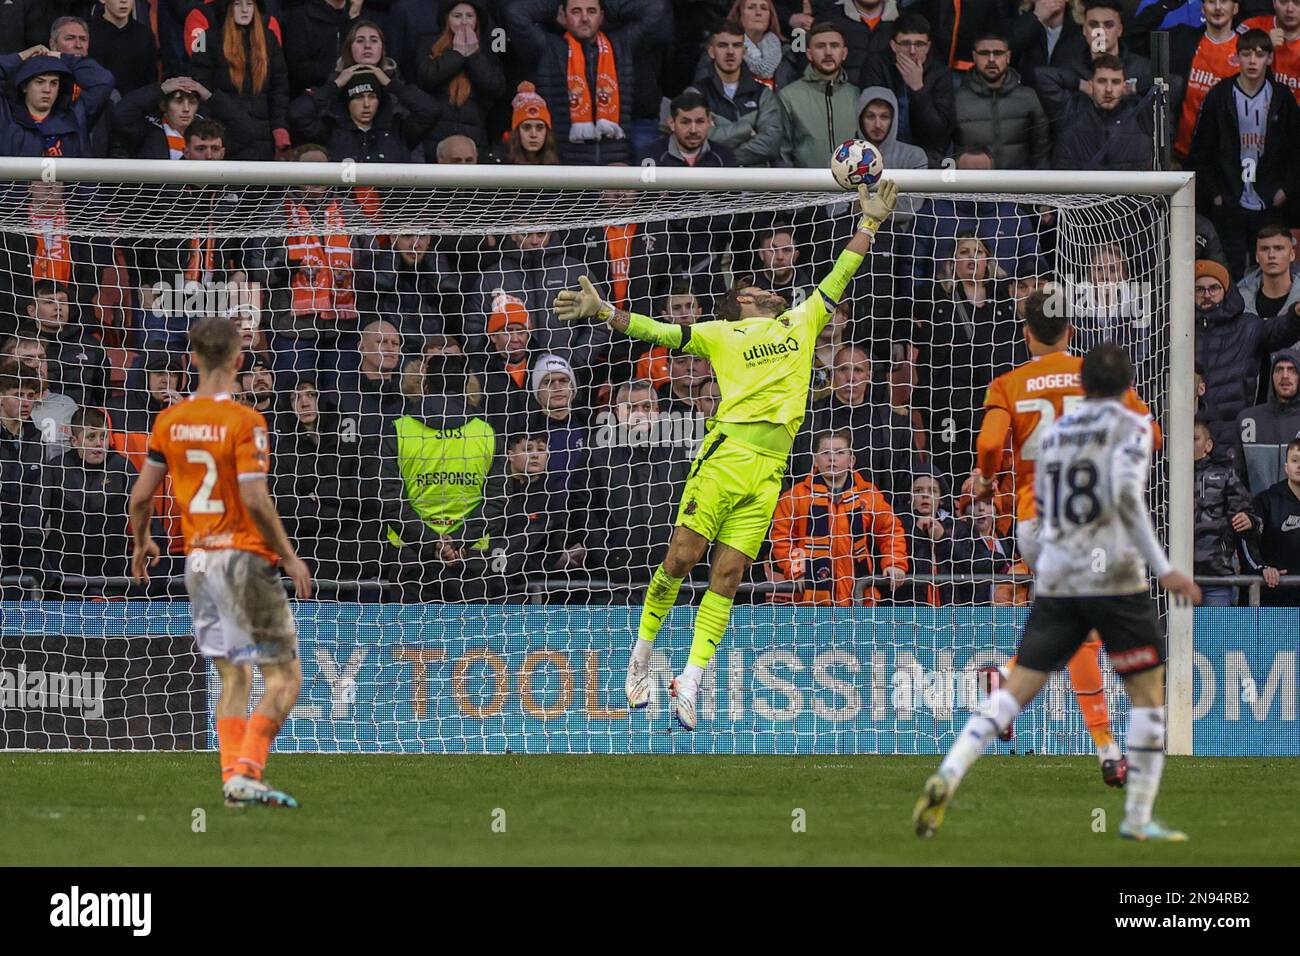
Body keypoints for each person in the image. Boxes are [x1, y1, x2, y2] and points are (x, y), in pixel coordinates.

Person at [554, 178, 900, 729]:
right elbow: (660, 332)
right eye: (756, 287)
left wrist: (869, 222)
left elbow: (843, 271)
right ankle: (641, 652)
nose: (768, 289)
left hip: (769, 472)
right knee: (682, 558)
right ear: (743, 300)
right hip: (725, 455)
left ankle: (689, 678)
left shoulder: (802, 320)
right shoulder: (721, 333)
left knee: (731, 574)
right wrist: (604, 312)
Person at [915, 343, 1203, 842]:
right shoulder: (1133, 428)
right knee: (1148, 697)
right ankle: (1137, 818)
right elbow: (1129, 503)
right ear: (1125, 386)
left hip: (1061, 575)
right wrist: (1165, 569)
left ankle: (949, 773)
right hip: (1116, 577)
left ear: (1084, 385)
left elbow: (1044, 503)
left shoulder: (1053, 436)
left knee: (1016, 693)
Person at [972, 289, 1156, 784]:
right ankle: (1104, 746)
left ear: (1027, 333)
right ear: (1071, 331)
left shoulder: (1008, 383)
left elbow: (990, 443)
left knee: (1078, 628)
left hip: (1034, 523)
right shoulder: (1094, 375)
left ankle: (1014, 684)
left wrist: (988, 481)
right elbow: (1150, 433)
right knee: (1087, 633)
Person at [129, 316, 312, 809]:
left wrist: (142, 542)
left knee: (234, 675)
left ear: (191, 359)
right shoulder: (246, 421)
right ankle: (249, 769)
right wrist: (290, 556)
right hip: (242, 558)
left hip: (199, 562)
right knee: (285, 679)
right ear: (238, 360)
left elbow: (142, 495)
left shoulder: (169, 422)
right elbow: (254, 499)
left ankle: (234, 781)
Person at [367, 354, 497, 602]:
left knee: (413, 640)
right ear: (465, 388)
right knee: (471, 640)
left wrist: (431, 543)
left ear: (425, 386)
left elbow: (389, 499)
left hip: (411, 555)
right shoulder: (487, 433)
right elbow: (496, 502)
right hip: (470, 557)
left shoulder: (399, 430)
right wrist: (459, 541)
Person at [502, 0, 666, 166]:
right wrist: (556, 8)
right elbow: (515, 12)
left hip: (614, 166)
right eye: (576, 11)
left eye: (592, 11)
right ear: (563, 16)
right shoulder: (548, 48)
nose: (585, 18)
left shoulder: (622, 46)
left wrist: (606, 6)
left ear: (601, 16)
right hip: (565, 167)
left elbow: (655, 9)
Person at [1191, 30, 1300, 277]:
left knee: (1270, 270)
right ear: (1236, 57)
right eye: (1246, 54)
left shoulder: (1282, 97)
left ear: (1270, 59)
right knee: (1232, 271)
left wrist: (1285, 189)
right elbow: (1201, 152)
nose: (1252, 61)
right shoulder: (1219, 96)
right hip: (1230, 200)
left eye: (1260, 54)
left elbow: (1296, 151)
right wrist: (1216, 194)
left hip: (1269, 200)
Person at [769, 429, 908, 605]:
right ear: (815, 460)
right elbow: (781, 537)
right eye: (825, 453)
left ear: (851, 461)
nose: (832, 458)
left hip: (859, 594)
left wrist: (894, 563)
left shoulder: (868, 495)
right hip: (811, 598)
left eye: (839, 452)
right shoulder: (794, 497)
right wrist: (796, 569)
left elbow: (891, 530)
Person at [584, 379, 693, 583]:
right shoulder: (597, 453)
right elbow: (582, 508)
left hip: (674, 574)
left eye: (646, 407)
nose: (639, 413)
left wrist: (685, 552)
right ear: (617, 411)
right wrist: (605, 555)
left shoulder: (680, 451)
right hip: (615, 577)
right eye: (631, 407)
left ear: (657, 410)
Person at [1193, 258, 1300, 448]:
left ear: (1225, 290)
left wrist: (1297, 314)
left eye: (1214, 288)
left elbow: (1279, 331)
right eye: (1200, 289)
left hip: (1234, 437)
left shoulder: (1247, 326)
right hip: (1189, 440)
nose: (1207, 294)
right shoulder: (1175, 329)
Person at [41, 407, 145, 592]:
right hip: (63, 577)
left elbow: (146, 516)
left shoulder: (121, 467)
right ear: (74, 441)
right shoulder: (56, 468)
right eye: (91, 437)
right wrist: (41, 566)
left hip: (112, 577)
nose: (99, 443)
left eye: (103, 437)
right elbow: (33, 519)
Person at [1130, 0, 1239, 164]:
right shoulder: (1181, 38)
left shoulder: (1247, 51)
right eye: (1211, 1)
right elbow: (1133, 36)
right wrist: (1166, 5)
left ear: (1235, 8)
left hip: (1222, 160)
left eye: (1223, 1)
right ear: (1202, 8)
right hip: (1177, 155)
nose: (1217, 7)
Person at [479, 432, 576, 601]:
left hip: (524, 587)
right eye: (528, 449)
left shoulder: (553, 497)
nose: (535, 455)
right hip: (482, 580)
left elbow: (554, 546)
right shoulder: (492, 491)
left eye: (541, 449)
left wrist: (523, 573)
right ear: (510, 455)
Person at [190, 0, 291, 160]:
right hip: (223, 133)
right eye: (238, 4)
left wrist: (279, 128)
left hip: (261, 137)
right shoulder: (205, 38)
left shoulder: (269, 39)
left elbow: (279, 89)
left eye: (250, 4)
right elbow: (200, 85)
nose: (244, 10)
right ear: (229, 8)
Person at [287, 64, 441, 164]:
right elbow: (297, 115)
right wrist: (334, 85)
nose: (366, 104)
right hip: (343, 212)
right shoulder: (330, 131)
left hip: (392, 212)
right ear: (347, 102)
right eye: (358, 97)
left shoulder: (398, 131)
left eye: (372, 97)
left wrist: (391, 84)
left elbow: (430, 110)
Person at [857, 11, 955, 163]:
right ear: (893, 45)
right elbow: (871, 121)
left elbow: (938, 134)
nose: (912, 51)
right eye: (905, 43)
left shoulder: (940, 73)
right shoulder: (877, 65)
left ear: (928, 47)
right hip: (882, 155)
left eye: (919, 44)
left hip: (928, 156)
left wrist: (918, 89)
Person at [416, 1, 506, 155]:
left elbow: (495, 88)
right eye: (457, 16)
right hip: (435, 135)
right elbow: (425, 79)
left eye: (469, 16)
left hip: (474, 137)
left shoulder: (487, 49)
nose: (464, 22)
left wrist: (472, 55)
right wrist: (457, 53)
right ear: (447, 19)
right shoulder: (428, 43)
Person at [1037, 55, 1155, 170]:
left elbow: (1171, 84)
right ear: (1091, 83)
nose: (1108, 89)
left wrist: (1135, 87)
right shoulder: (1070, 108)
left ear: (1124, 85)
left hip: (1128, 189)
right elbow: (1042, 76)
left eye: (1116, 82)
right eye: (1102, 81)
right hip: (1077, 188)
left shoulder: (1139, 112)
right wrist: (1080, 85)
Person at [952, 33, 1050, 169]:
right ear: (974, 57)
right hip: (972, 186)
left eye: (998, 53)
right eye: (984, 53)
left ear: (1008, 57)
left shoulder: (1028, 97)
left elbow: (1041, 151)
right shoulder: (957, 99)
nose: (991, 59)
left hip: (1019, 185)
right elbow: (943, 150)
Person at [0, 43, 114, 158]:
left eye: (54, 83)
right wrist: (21, 57)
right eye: (39, 82)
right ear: (24, 86)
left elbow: (103, 80)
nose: (47, 89)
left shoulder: (76, 115)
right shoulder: (6, 116)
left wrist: (60, 57)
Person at [695, 20, 783, 167]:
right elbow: (697, 141)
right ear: (711, 52)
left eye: (736, 45)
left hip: (757, 186)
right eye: (722, 45)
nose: (730, 51)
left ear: (744, 51)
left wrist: (723, 158)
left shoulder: (762, 93)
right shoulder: (697, 93)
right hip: (713, 186)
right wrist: (746, 129)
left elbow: (771, 144)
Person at [777, 21, 862, 168]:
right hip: (804, 188)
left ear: (844, 53)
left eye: (834, 46)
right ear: (809, 54)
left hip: (852, 188)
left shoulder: (857, 95)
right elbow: (781, 153)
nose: (828, 52)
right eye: (820, 46)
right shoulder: (788, 96)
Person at [1193, 417, 1258, 606]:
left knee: (1216, 635)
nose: (1188, 444)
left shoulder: (1225, 475)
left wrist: (1249, 520)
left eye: (1194, 439)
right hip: (1179, 576)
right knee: (1181, 635)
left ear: (1208, 445)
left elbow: (1249, 515)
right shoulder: (1165, 479)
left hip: (1218, 574)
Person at [0, 357, 44, 595]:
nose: (26, 402)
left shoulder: (38, 441)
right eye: (18, 394)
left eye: (30, 395)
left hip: (27, 543)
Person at [1050, 1, 1155, 95]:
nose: (1100, 32)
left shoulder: (1143, 69)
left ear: (1119, 30)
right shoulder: (1069, 69)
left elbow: (1169, 85)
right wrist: (1081, 85)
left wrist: (1135, 87)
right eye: (1094, 25)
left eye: (1108, 25)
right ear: (1084, 30)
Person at [1245, 437, 1300, 605]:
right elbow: (1247, 540)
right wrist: (1263, 567)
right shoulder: (1266, 501)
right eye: (1294, 460)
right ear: (1286, 467)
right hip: (1273, 596)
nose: (1299, 465)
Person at [1236, 349, 1300, 488]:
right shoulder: (1248, 420)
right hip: (1258, 508)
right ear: (1271, 375)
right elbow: (1238, 476)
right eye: (1279, 370)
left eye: (1292, 370)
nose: (1285, 376)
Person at [281, 0, 362, 97]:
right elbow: (298, 68)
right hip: (311, 99)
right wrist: (336, 76)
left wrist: (354, 18)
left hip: (353, 98)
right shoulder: (300, 17)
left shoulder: (361, 16)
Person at [640, 88, 736, 166]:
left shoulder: (724, 157)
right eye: (685, 122)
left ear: (709, 121)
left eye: (700, 122)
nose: (693, 130)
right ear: (672, 123)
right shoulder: (650, 156)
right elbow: (646, 189)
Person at [89, 0, 161, 97]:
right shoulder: (87, 34)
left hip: (137, 107)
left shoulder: (144, 35)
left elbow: (150, 80)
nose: (124, 1)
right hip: (98, 105)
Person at [1007, 0, 1081, 89]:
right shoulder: (1017, 24)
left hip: (1069, 99)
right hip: (1027, 98)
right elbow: (1003, 54)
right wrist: (1036, 17)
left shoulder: (1083, 28)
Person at [1239, 0, 1300, 106]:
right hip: (1254, 109)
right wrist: (1263, 44)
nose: (1290, 9)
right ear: (1274, 3)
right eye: (1284, 2)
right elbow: (1229, 65)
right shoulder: (1251, 26)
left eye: (1297, 2)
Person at [1237, 225, 1300, 322]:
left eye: (1279, 248)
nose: (1271, 255)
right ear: (1257, 257)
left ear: (1292, 255)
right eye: (1265, 249)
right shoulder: (1239, 299)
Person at [499, 82, 559, 165]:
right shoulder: (501, 169)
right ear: (517, 132)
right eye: (527, 127)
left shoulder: (558, 170)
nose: (533, 135)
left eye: (539, 127)